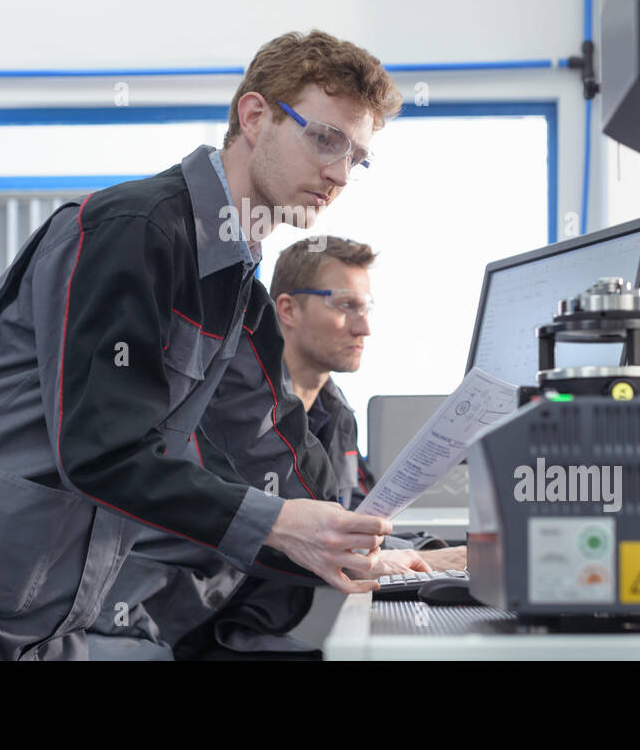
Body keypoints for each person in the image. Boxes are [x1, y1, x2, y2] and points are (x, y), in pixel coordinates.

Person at [0, 30, 420, 660]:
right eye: (325, 139)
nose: (340, 173)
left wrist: (388, 551)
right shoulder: (133, 231)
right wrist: (286, 526)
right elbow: (104, 451)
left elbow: (269, 442)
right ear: (254, 116)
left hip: (49, 595)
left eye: (358, 157)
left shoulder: (235, 282)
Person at [87, 237, 466, 660]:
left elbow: (358, 514)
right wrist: (435, 559)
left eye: (367, 308)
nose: (364, 328)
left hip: (236, 624)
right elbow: (289, 526)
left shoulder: (334, 414)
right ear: (286, 309)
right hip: (157, 627)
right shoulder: (228, 408)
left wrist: (435, 551)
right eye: (345, 305)